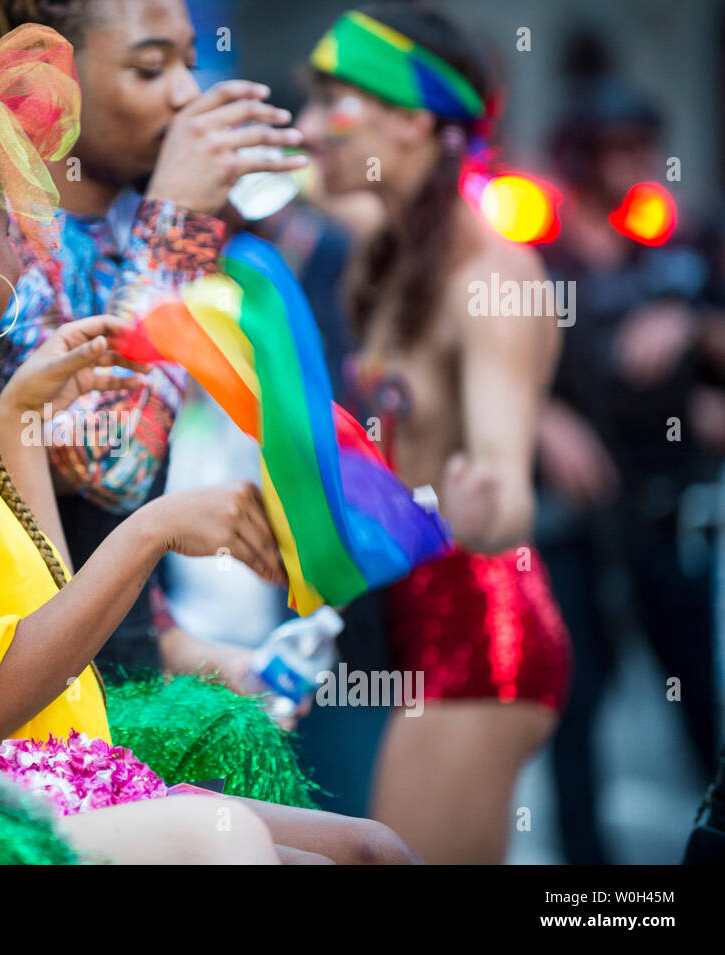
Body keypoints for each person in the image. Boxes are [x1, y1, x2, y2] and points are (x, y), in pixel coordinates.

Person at [0, 25, 417, 864]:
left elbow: (42, 631)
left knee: (374, 847)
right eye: (7, 230)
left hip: (47, 766)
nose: (30, 258)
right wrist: (154, 529)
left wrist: (18, 422)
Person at [294, 4, 571, 863]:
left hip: (482, 638)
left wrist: (488, 498)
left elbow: (507, 494)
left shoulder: (494, 275)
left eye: (330, 103)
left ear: (412, 122)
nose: (309, 131)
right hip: (417, 630)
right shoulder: (391, 241)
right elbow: (293, 177)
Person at [0, 0, 305, 675]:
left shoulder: (132, 231)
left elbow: (109, 569)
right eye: (151, 68)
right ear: (41, 86)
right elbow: (114, 467)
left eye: (190, 62)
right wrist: (178, 225)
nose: (188, 94)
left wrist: (229, 666)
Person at [536, 74, 722, 864]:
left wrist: (687, 326)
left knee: (700, 702)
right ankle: (587, 885)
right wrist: (543, 421)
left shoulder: (676, 246)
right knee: (574, 712)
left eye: (647, 147)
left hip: (670, 511)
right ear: (583, 155)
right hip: (573, 523)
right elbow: (490, 369)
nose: (641, 163)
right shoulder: (534, 256)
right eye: (622, 149)